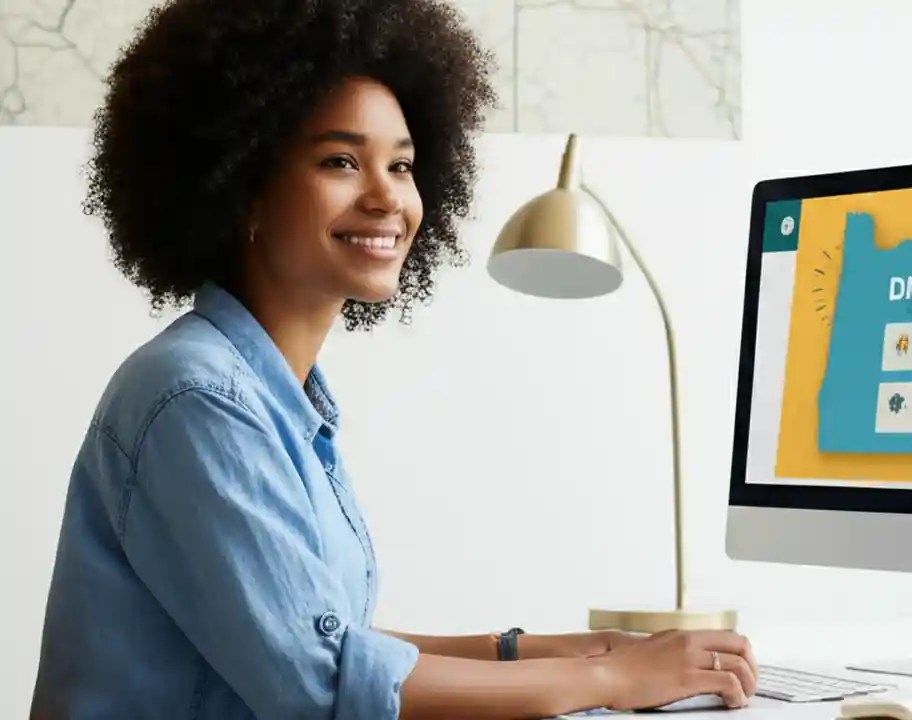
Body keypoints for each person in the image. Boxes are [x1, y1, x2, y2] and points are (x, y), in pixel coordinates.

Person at [29, 1, 757, 718]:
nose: (388, 197)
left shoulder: (275, 395)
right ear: (245, 187)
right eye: (341, 161)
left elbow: (329, 646)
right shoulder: (196, 399)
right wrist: (611, 680)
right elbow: (321, 684)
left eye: (401, 165)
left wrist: (550, 652)